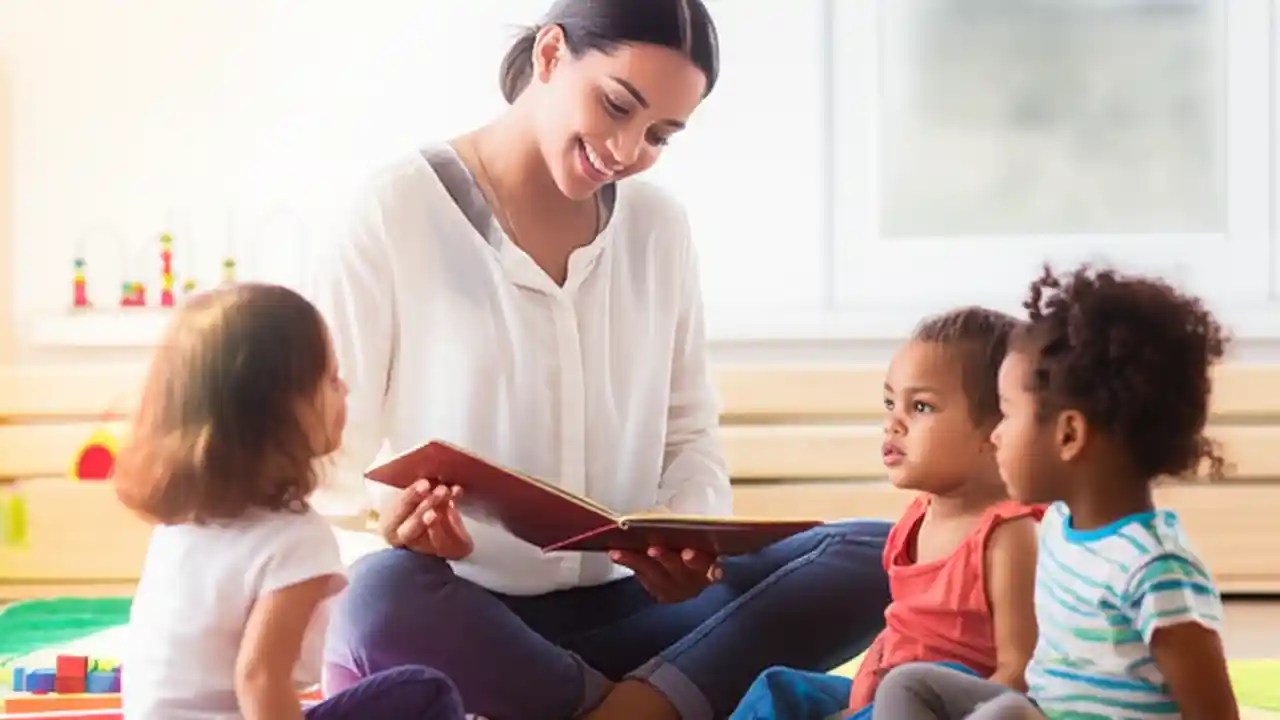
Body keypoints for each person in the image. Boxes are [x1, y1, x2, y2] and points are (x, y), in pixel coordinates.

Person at [305, 0, 893, 718]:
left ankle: (615, 705)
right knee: (377, 596)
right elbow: (323, 461)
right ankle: (651, 705)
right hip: (461, 614)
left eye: (660, 135)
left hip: (635, 615)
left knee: (882, 552)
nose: (626, 149)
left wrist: (688, 542)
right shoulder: (394, 211)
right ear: (550, 55)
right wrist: (392, 512)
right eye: (617, 105)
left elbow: (689, 435)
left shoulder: (658, 229)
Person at [872, 265, 1241, 720]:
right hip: (1044, 710)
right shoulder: (1058, 529)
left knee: (1004, 716)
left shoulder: (1155, 569)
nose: (997, 436)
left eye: (1007, 415)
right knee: (909, 684)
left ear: (1068, 435)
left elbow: (1216, 712)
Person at [116, 284, 466, 720]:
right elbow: (260, 679)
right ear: (279, 410)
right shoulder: (296, 540)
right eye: (331, 377)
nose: (346, 389)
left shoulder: (180, 523)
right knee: (422, 691)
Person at [729, 308, 1043, 720]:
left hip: (944, 704)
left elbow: (1019, 674)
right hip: (882, 696)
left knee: (929, 677)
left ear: (996, 429)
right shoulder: (917, 517)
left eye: (922, 407)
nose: (893, 423)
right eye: (890, 402)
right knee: (780, 689)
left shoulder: (1008, 535)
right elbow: (903, 630)